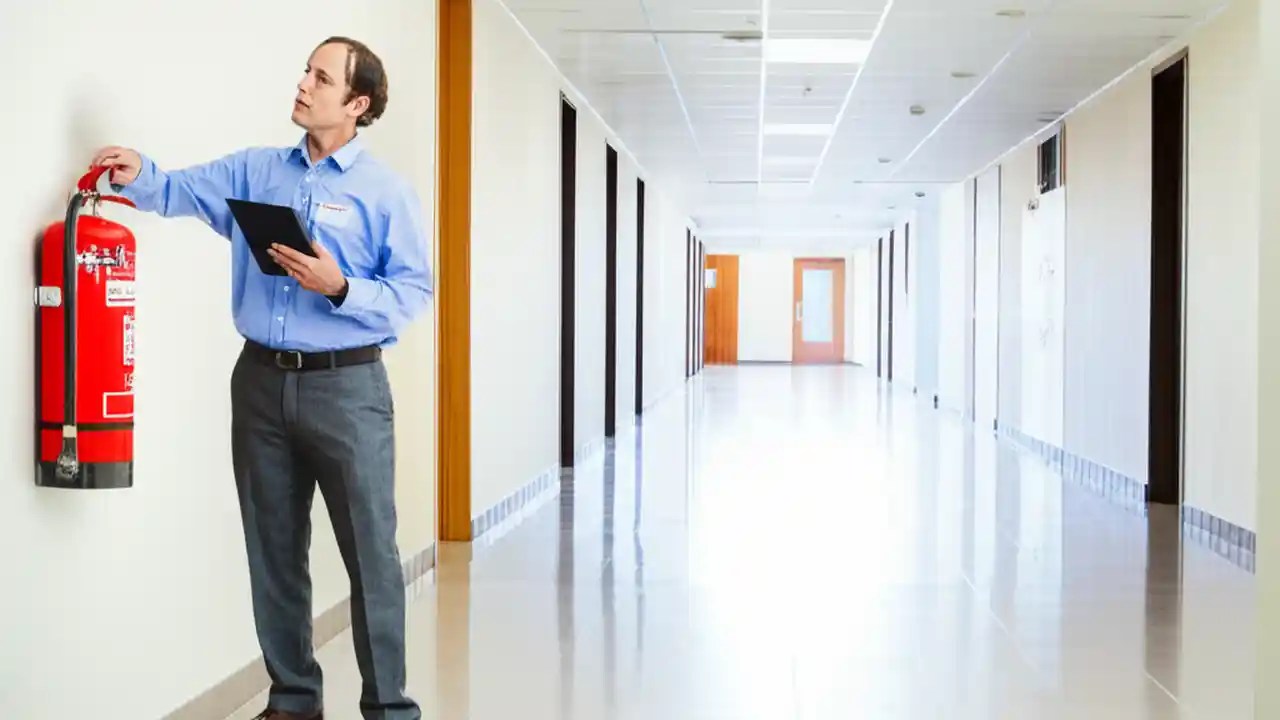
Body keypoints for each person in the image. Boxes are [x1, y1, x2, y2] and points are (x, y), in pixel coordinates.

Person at [92, 36, 431, 720]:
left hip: (348, 391)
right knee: (274, 551)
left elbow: (413, 291)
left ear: (356, 104)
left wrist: (340, 287)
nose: (303, 84)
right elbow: (181, 189)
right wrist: (140, 171)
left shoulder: (385, 192)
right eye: (306, 70)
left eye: (322, 77)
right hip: (260, 385)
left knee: (370, 555)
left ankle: (389, 708)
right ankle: (294, 699)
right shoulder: (257, 171)